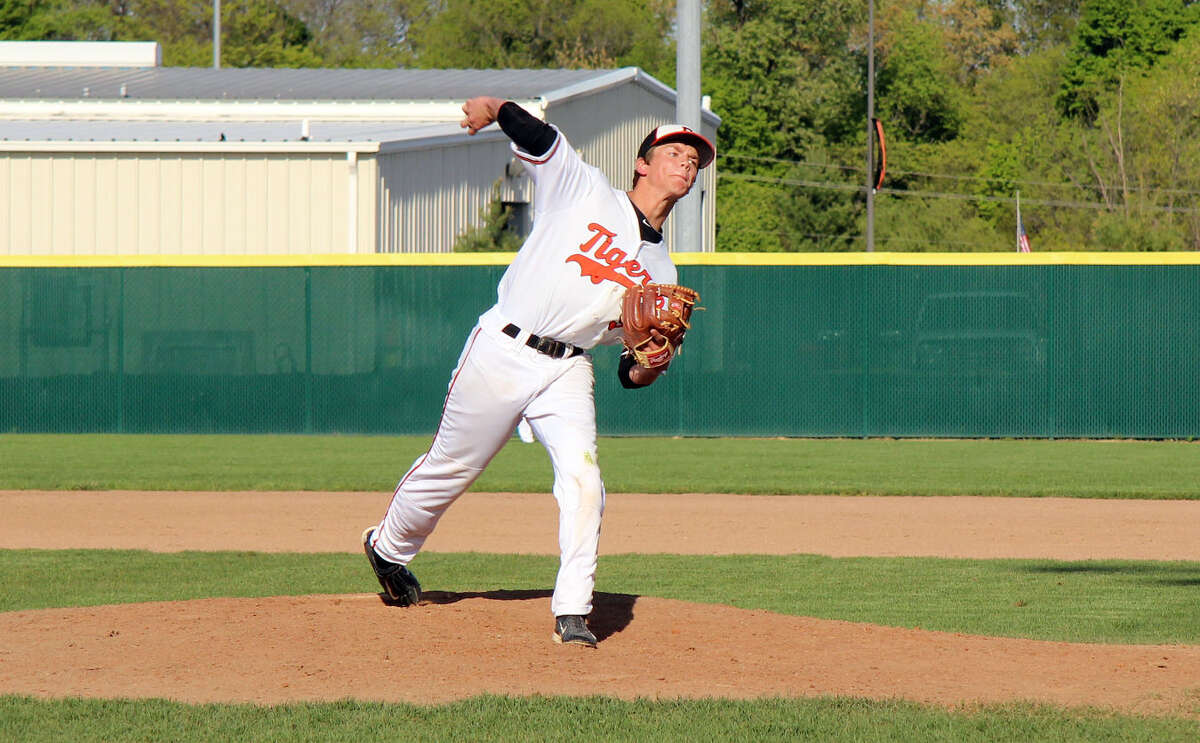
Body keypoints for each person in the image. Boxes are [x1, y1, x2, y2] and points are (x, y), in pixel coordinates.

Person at [362, 95, 715, 647]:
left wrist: (655, 362)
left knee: (584, 480)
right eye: (674, 152)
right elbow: (540, 138)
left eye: (694, 161)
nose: (686, 164)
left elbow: (630, 372)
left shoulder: (662, 271)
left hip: (568, 369)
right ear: (642, 164)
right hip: (504, 346)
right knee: (452, 467)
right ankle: (388, 548)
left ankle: (573, 611)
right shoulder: (587, 190)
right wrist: (498, 107)